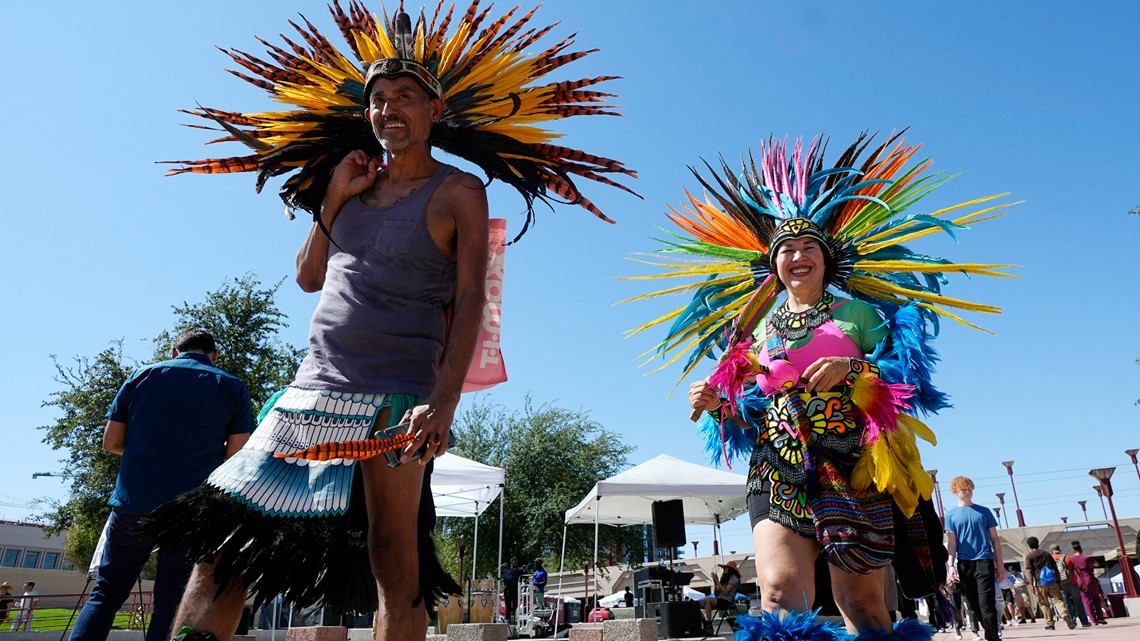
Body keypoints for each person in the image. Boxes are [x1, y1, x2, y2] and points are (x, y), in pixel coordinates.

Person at [142, 5, 634, 641]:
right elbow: (308, 278)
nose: (388, 109)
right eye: (378, 99)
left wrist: (443, 404)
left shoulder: (460, 191)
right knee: (228, 543)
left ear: (436, 111)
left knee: (393, 558)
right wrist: (332, 200)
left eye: (405, 96)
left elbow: (471, 304)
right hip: (309, 388)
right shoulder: (351, 185)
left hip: (395, 395)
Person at [645, 133, 1013, 641]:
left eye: (807, 247)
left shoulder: (857, 315)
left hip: (853, 464)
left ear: (825, 258)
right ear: (773, 267)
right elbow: (745, 413)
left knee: (861, 602)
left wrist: (854, 369)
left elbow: (908, 381)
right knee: (777, 591)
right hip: (779, 464)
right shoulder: (755, 332)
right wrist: (716, 405)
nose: (797, 256)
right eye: (786, 249)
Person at [68, 328, 254, 641]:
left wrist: (148, 451)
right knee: (170, 599)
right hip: (189, 511)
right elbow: (235, 456)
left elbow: (111, 442)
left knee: (107, 593)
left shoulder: (141, 377)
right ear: (214, 356)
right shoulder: (232, 386)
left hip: (133, 501)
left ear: (173, 351)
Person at [944, 476, 1005, 641]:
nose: (968, 491)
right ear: (955, 492)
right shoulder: (951, 515)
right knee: (973, 603)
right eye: (964, 489)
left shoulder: (984, 511)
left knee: (986, 603)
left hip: (984, 560)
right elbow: (952, 543)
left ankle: (993, 636)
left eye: (970, 488)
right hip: (964, 564)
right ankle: (990, 629)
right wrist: (950, 566)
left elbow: (995, 540)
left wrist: (1000, 566)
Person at [1024, 536, 1074, 630]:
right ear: (1038, 544)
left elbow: (1029, 571)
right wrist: (1058, 580)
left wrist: (1031, 585)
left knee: (1044, 604)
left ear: (1029, 546)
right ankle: (1064, 614)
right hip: (1052, 581)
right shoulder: (1046, 554)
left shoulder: (1029, 556)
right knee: (1058, 600)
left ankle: (1050, 624)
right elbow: (1055, 567)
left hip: (1040, 583)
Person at [1069, 541, 1108, 625]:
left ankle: (1093, 620)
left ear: (1073, 549)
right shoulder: (1086, 558)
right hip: (1090, 579)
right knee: (1096, 598)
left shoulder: (1071, 559)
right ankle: (1100, 618)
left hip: (1079, 581)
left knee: (1086, 601)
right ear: (1081, 549)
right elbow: (1097, 564)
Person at [1049, 544, 1088, 626]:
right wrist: (1083, 583)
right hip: (1073, 583)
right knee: (1078, 603)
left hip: (1061, 585)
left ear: (1051, 551)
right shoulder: (1068, 557)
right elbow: (1078, 570)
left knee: (1067, 604)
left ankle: (1072, 621)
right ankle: (1084, 622)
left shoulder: (1050, 559)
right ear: (1059, 549)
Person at [701, 560, 742, 630]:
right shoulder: (725, 580)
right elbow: (716, 594)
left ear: (730, 569)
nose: (724, 570)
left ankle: (709, 623)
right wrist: (715, 582)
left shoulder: (733, 578)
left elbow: (726, 592)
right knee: (694, 605)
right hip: (720, 599)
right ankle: (704, 622)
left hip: (726, 601)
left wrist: (717, 581)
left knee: (707, 600)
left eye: (725, 568)